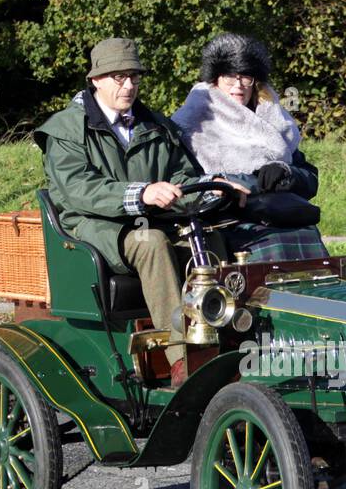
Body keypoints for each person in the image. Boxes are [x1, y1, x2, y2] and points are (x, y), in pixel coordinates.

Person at [33, 37, 246, 388]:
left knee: (212, 239)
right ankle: (182, 359)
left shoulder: (155, 124)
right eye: (118, 77)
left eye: (133, 76)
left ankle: (229, 347)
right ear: (96, 80)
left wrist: (216, 187)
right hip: (93, 228)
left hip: (152, 221)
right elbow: (80, 190)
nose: (128, 85)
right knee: (152, 242)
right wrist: (143, 193)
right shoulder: (65, 130)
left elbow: (182, 177)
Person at [170, 33, 327, 261]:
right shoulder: (194, 125)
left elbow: (311, 181)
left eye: (246, 78)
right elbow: (187, 182)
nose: (238, 86)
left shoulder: (273, 119)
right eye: (230, 77)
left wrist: (285, 173)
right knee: (272, 247)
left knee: (309, 239)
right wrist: (251, 183)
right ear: (215, 80)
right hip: (230, 221)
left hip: (278, 213)